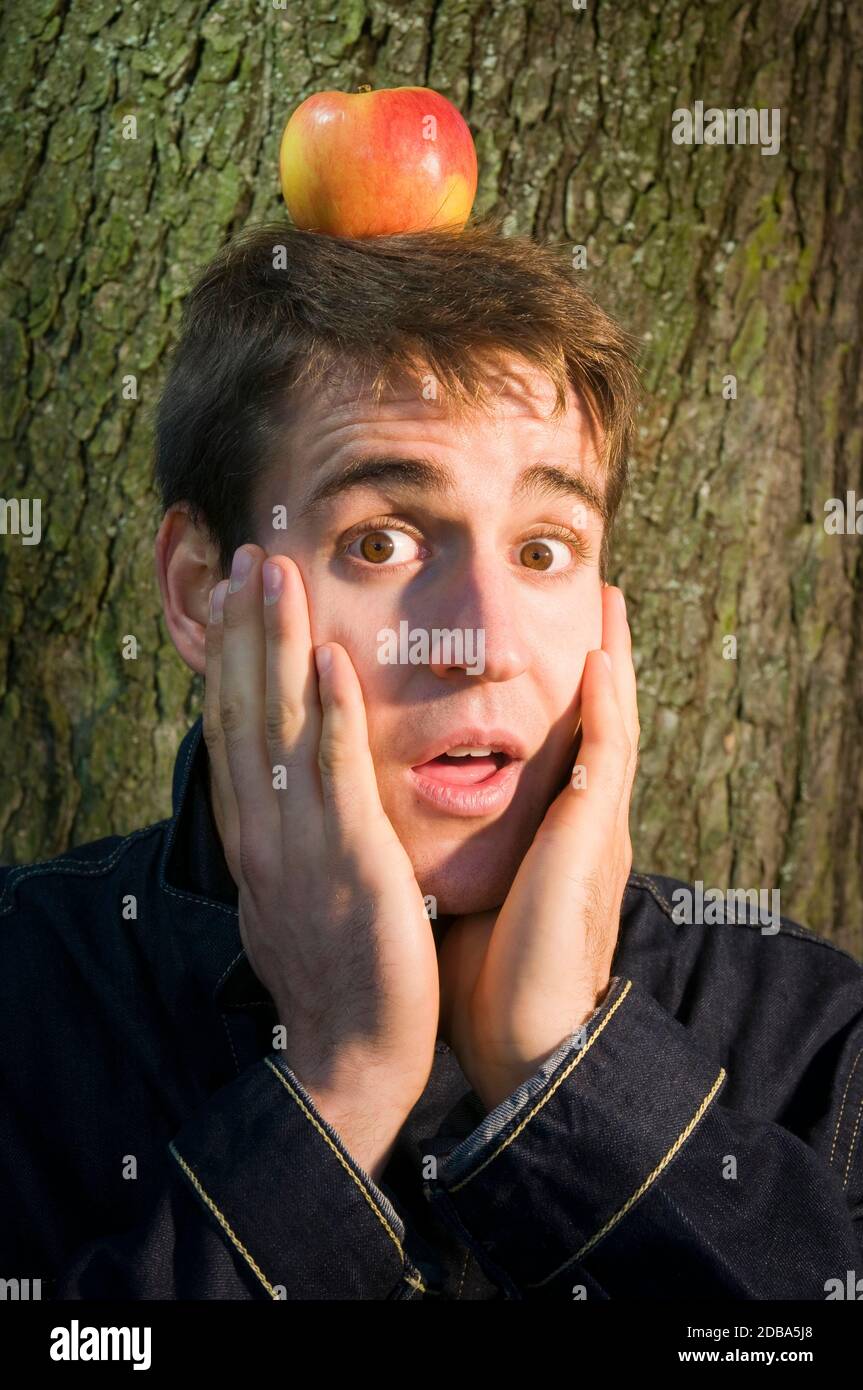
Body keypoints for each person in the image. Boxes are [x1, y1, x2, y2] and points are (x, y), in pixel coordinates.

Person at [1, 219, 861, 1301]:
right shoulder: (23, 1001)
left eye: (543, 550)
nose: (482, 642)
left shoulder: (812, 1043)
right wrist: (337, 1091)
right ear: (196, 592)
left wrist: (569, 1078)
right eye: (381, 540)